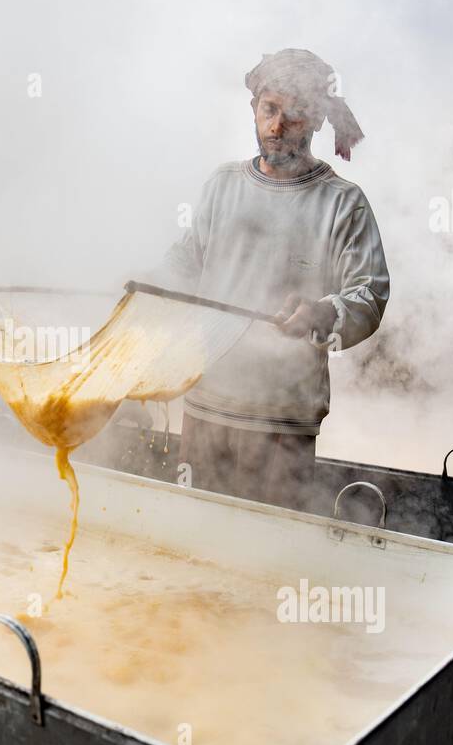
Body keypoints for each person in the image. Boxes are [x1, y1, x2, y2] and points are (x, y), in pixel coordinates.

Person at [156, 48, 389, 507]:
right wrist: (151, 282)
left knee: (267, 560)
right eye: (270, 110)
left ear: (319, 120)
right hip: (206, 407)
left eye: (294, 116)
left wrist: (322, 312)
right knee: (189, 546)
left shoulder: (343, 202)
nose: (277, 127)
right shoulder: (222, 185)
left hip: (284, 422)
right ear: (254, 109)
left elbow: (370, 294)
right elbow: (187, 261)